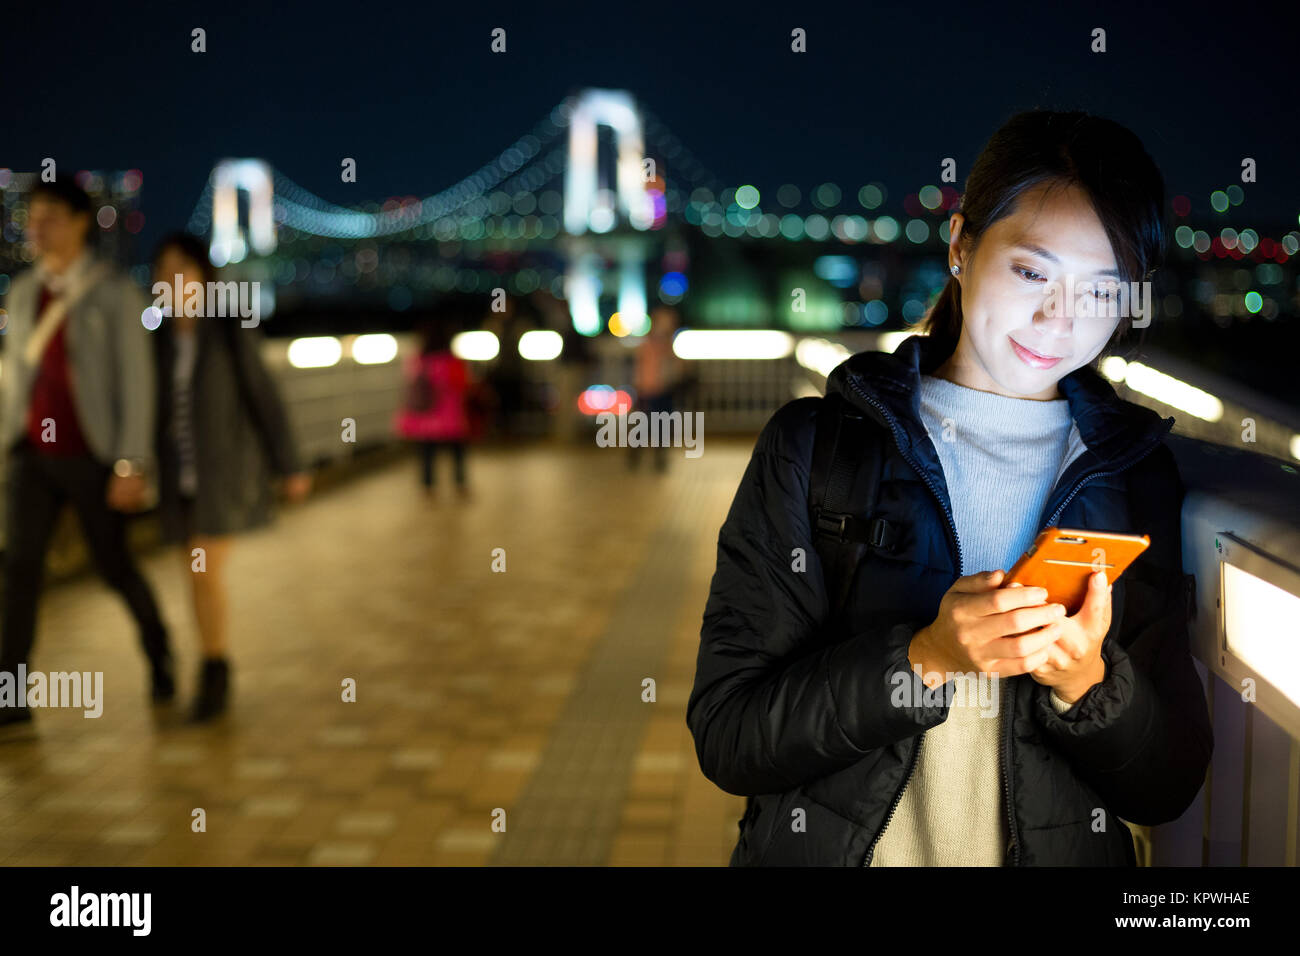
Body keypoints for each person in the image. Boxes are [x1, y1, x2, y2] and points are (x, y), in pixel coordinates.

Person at [687, 110, 1214, 866]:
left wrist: (1089, 684)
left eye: (1102, 292)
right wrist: (924, 659)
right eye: (1031, 272)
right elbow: (729, 735)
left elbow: (1166, 788)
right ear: (962, 244)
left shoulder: (1134, 476)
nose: (1058, 321)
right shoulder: (817, 448)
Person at [1, 178, 174, 733]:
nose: (37, 227)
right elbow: (15, 378)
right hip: (32, 453)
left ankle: (160, 653)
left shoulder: (115, 292)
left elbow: (137, 381)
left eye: (50, 215)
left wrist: (130, 462)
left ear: (80, 222)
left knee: (113, 566)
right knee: (19, 571)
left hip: (91, 455)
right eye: (32, 217)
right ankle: (9, 696)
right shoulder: (25, 292)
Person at [150, 233, 310, 722]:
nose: (173, 279)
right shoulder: (155, 338)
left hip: (222, 472)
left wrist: (290, 464)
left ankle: (214, 667)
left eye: (184, 268)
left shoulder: (227, 327)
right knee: (193, 573)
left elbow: (263, 393)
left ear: (204, 276)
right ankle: (210, 661)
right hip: (178, 477)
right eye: (165, 269)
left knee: (202, 570)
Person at [394, 316, 472, 496]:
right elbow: (464, 384)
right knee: (457, 450)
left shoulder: (419, 360)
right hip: (451, 414)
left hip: (425, 416)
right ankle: (460, 484)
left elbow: (410, 382)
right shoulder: (452, 361)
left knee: (427, 452)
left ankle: (428, 487)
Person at [628, 305, 684, 472]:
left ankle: (658, 457)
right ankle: (637, 455)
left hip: (663, 389)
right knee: (645, 425)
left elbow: (676, 367)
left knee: (661, 426)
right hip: (649, 390)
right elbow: (642, 369)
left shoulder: (666, 345)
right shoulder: (650, 345)